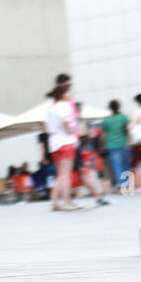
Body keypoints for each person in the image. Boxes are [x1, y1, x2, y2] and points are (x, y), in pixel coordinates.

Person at [44, 73, 81, 211]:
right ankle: (66, 202)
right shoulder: (64, 105)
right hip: (66, 141)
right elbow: (66, 121)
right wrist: (72, 129)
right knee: (66, 174)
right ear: (63, 93)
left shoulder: (50, 106)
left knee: (60, 174)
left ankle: (54, 201)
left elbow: (46, 125)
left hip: (54, 143)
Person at [100, 100, 131, 193]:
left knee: (117, 165)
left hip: (111, 145)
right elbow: (128, 130)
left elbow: (103, 135)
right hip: (123, 143)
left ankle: (121, 185)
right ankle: (128, 185)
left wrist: (102, 145)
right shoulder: (123, 117)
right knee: (126, 164)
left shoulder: (106, 120)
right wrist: (129, 141)